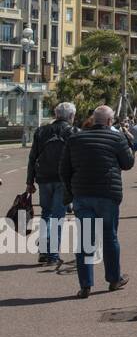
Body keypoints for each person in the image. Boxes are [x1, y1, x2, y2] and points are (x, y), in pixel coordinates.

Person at [61, 105, 134, 298]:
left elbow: (64, 169)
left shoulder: (75, 138)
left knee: (85, 240)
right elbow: (128, 164)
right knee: (110, 237)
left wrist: (71, 192)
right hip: (107, 195)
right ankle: (114, 279)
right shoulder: (116, 137)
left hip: (82, 195)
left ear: (93, 120)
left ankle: (85, 285)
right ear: (110, 122)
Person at [25, 101, 76, 267]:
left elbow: (33, 157)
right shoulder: (73, 131)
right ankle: (53, 255)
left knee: (46, 213)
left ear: (56, 115)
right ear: (71, 116)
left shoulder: (42, 131)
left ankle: (44, 252)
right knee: (58, 216)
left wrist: (29, 181)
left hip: (44, 178)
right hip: (63, 179)